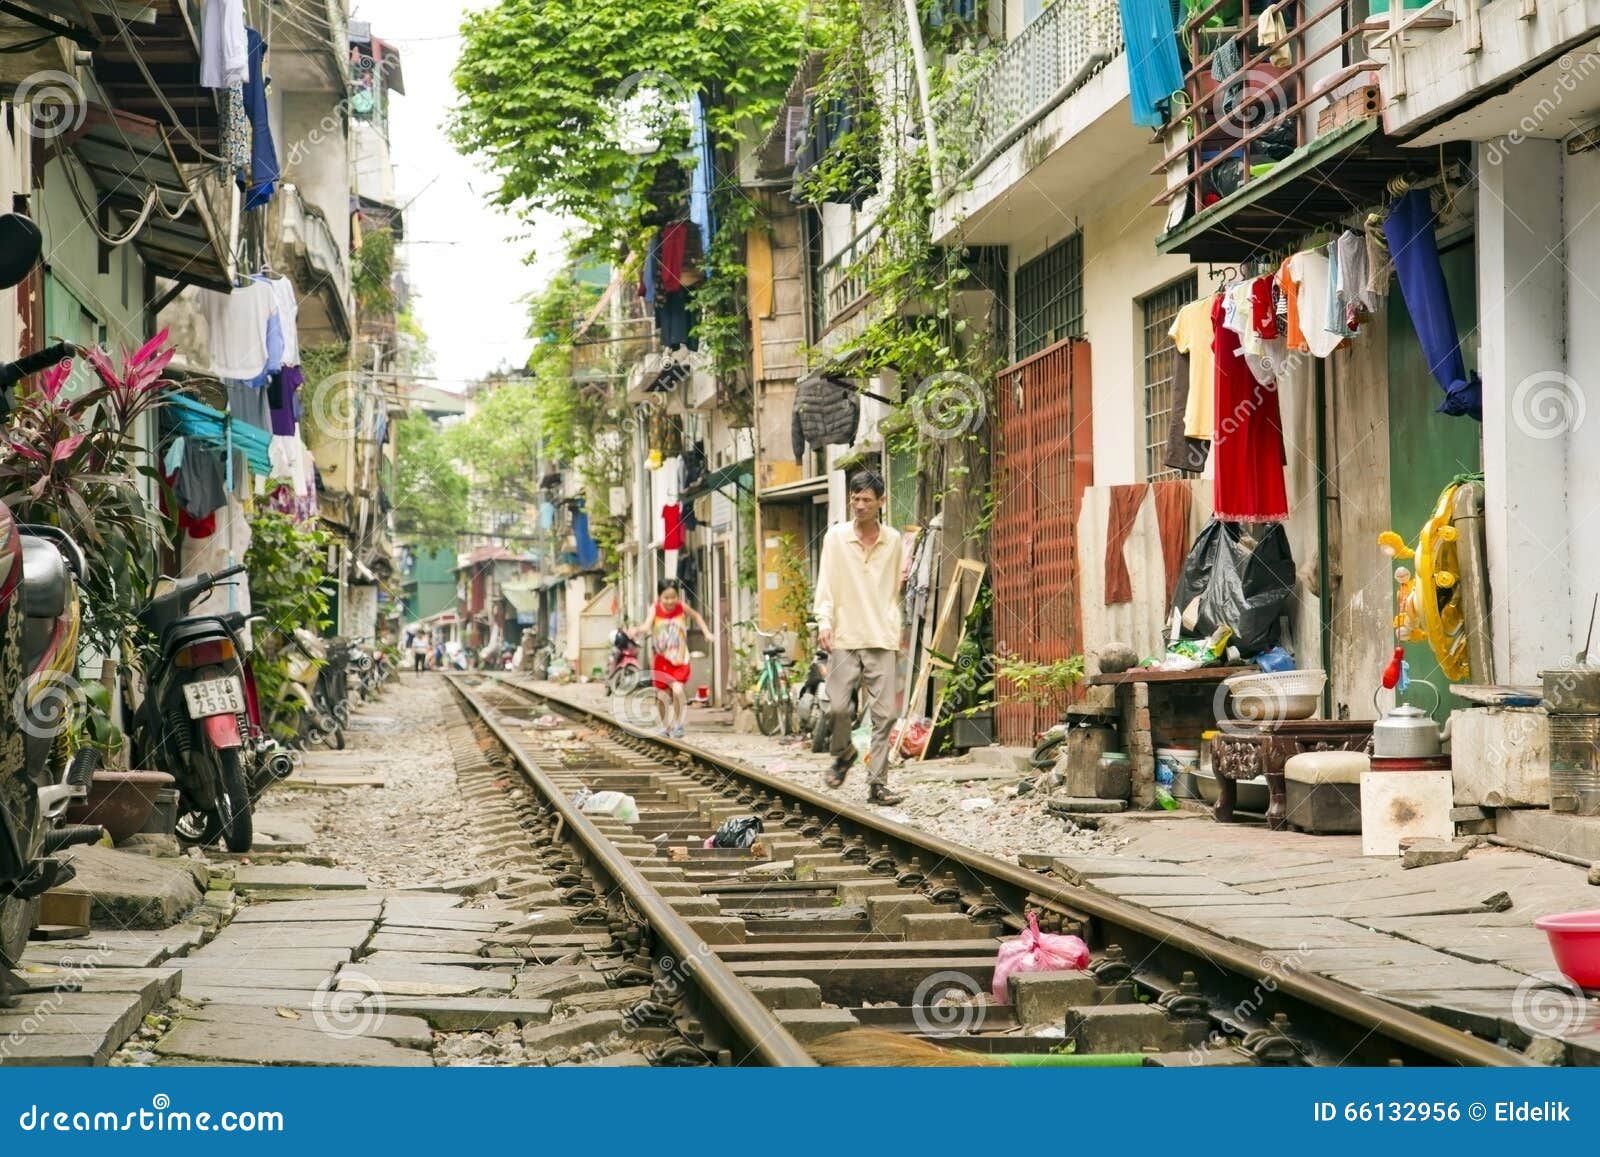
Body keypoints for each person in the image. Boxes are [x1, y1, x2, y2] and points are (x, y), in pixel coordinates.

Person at [814, 470, 906, 806]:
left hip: (881, 637)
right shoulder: (836, 539)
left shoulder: (894, 540)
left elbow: (895, 589)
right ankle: (844, 754)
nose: (860, 505)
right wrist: (824, 622)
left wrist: (896, 626)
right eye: (855, 498)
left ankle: (877, 784)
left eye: (867, 499)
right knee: (838, 708)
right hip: (844, 635)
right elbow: (826, 583)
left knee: (885, 716)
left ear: (881, 502)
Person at [638, 578, 713, 738]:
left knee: (678, 690)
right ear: (660, 597)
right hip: (662, 659)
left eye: (673, 597)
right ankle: (664, 726)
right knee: (662, 696)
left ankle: (678, 724)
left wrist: (706, 632)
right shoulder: (655, 609)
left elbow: (697, 616)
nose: (670, 601)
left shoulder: (681, 607)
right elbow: (646, 625)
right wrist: (637, 630)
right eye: (666, 597)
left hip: (679, 658)